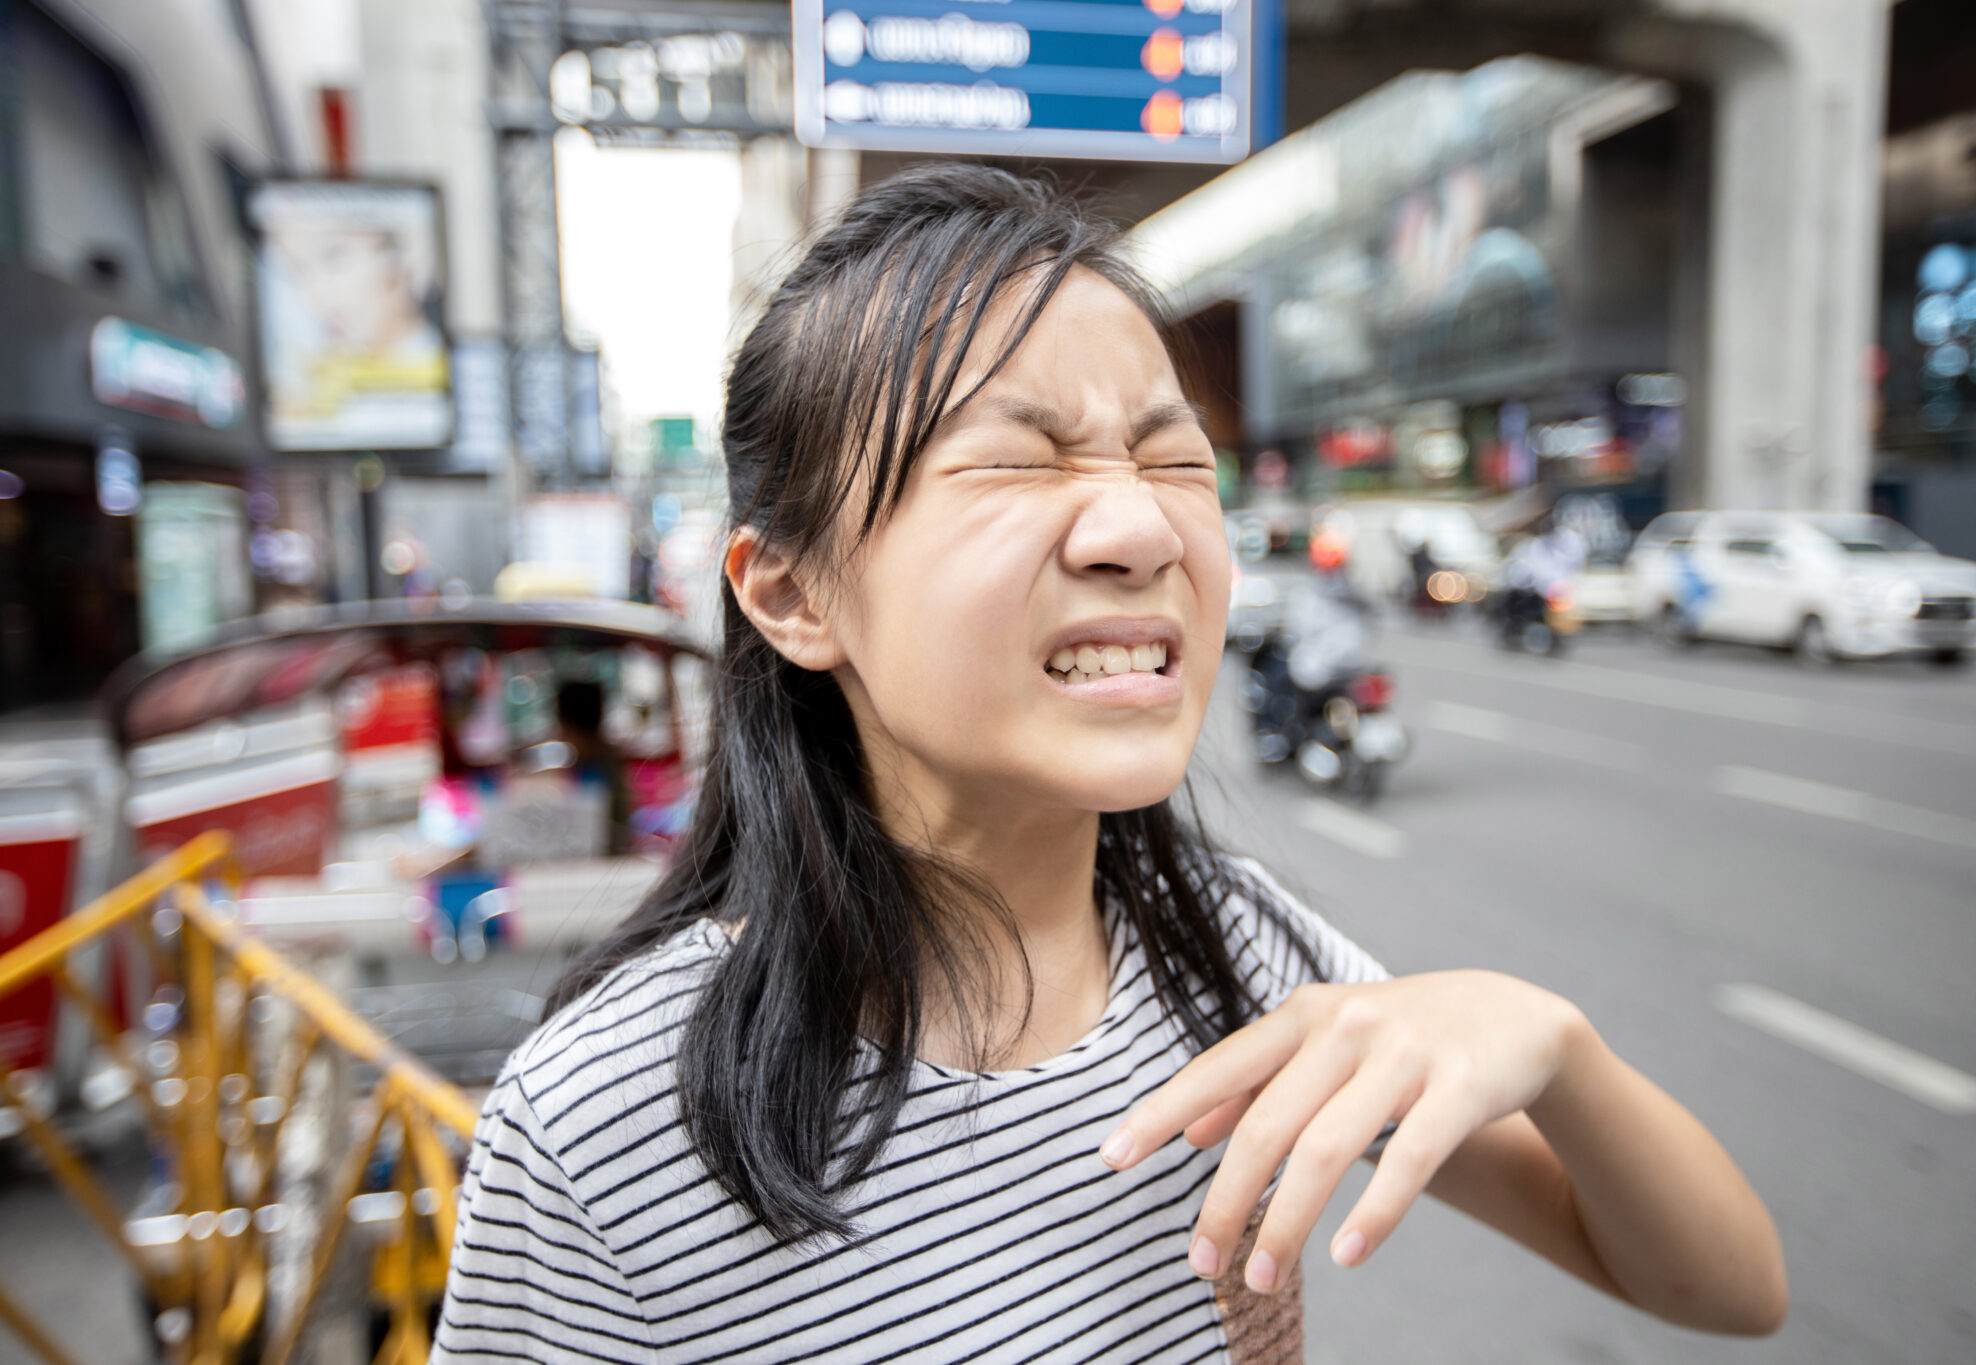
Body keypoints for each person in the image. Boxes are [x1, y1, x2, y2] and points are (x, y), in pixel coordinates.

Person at [430, 167, 1785, 1364]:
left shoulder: (1237, 957)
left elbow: (1727, 1290)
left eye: (1175, 459)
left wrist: (1552, 1046)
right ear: (792, 594)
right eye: (1017, 462)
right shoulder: (600, 1124)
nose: (1140, 529)